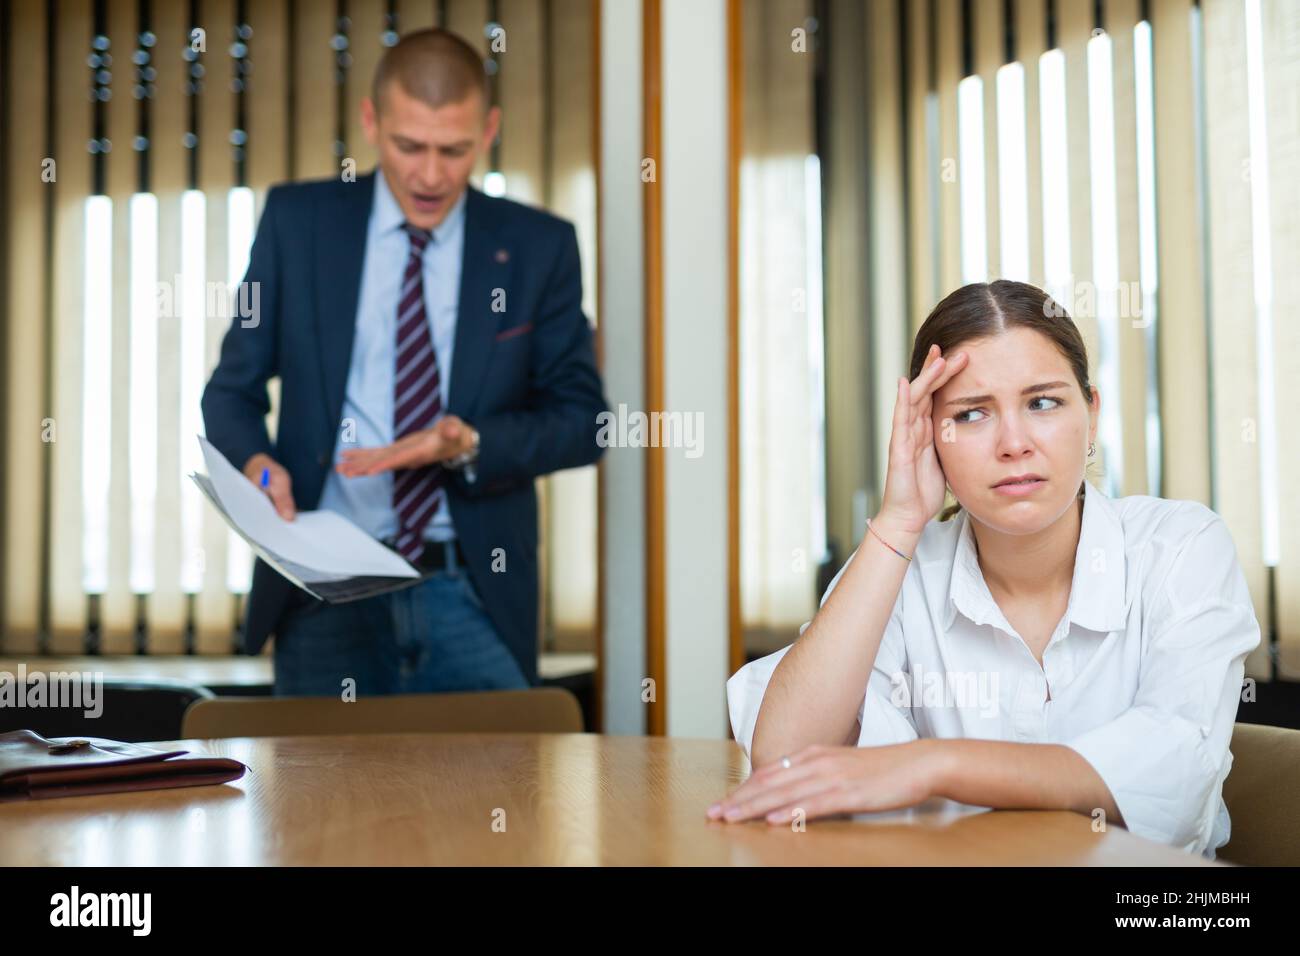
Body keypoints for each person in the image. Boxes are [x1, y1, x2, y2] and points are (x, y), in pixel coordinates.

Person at [710, 279, 1259, 858]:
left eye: (1043, 402)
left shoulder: (1179, 548)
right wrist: (898, 521)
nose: (1013, 443)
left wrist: (936, 765)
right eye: (972, 415)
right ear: (930, 437)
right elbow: (788, 759)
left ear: (1091, 416)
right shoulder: (902, 568)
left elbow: (1176, 766)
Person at [201, 28, 607, 694]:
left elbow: (584, 423)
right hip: (326, 592)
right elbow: (231, 390)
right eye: (408, 146)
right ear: (370, 121)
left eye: (455, 150)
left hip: (473, 593)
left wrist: (470, 440)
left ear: (490, 129)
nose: (430, 175)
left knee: (498, 796)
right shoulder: (296, 224)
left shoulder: (540, 248)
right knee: (317, 800)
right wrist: (256, 465)